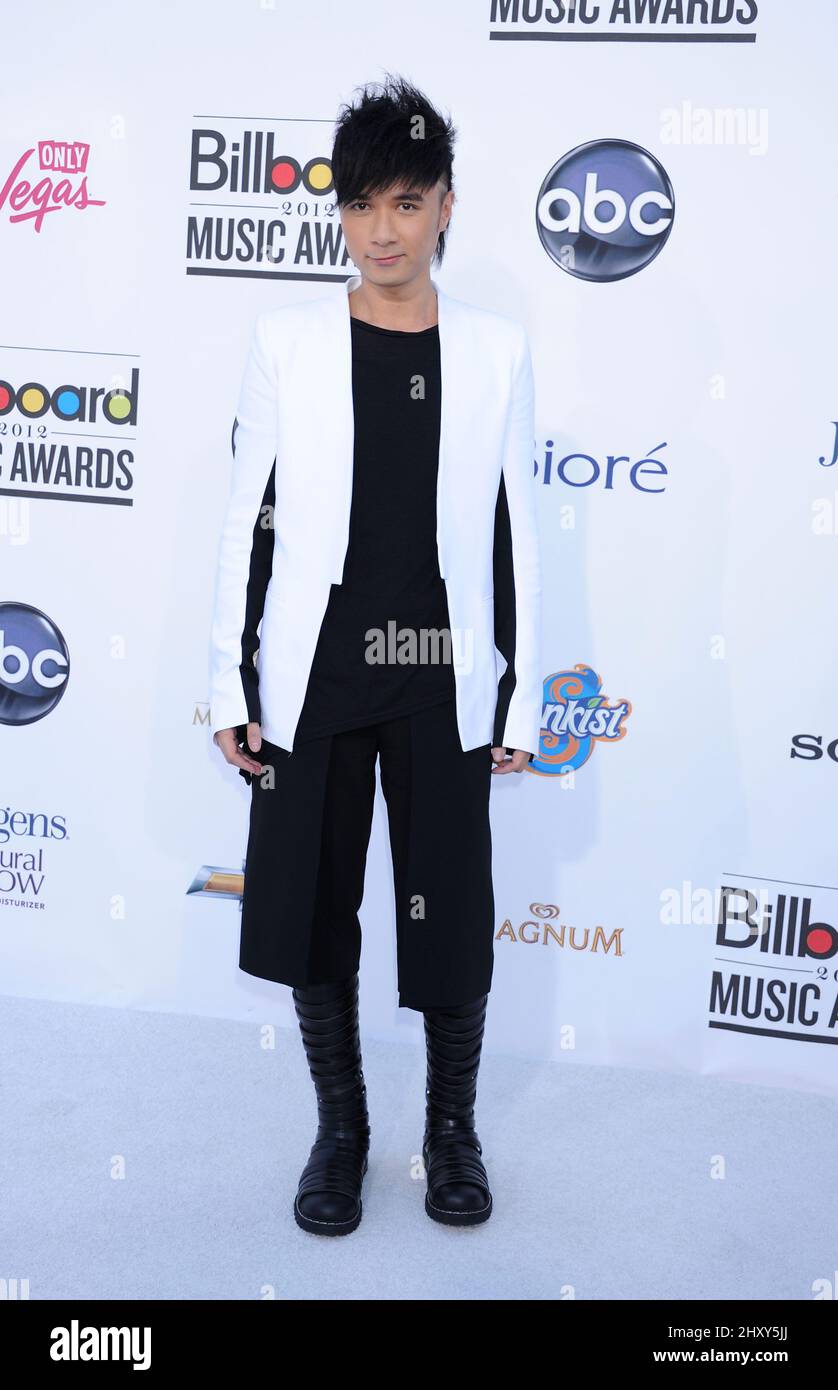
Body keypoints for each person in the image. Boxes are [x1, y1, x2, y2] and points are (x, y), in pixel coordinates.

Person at [208, 74, 542, 1236]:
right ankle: (342, 1130)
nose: (382, 230)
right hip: (318, 671)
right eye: (360, 204)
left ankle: (452, 1132)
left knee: (448, 912)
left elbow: (513, 533)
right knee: (310, 907)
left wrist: (518, 697)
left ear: (446, 204)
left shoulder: (496, 350)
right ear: (340, 212)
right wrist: (228, 678)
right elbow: (249, 520)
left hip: (442, 669)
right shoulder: (286, 342)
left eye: (405, 202)